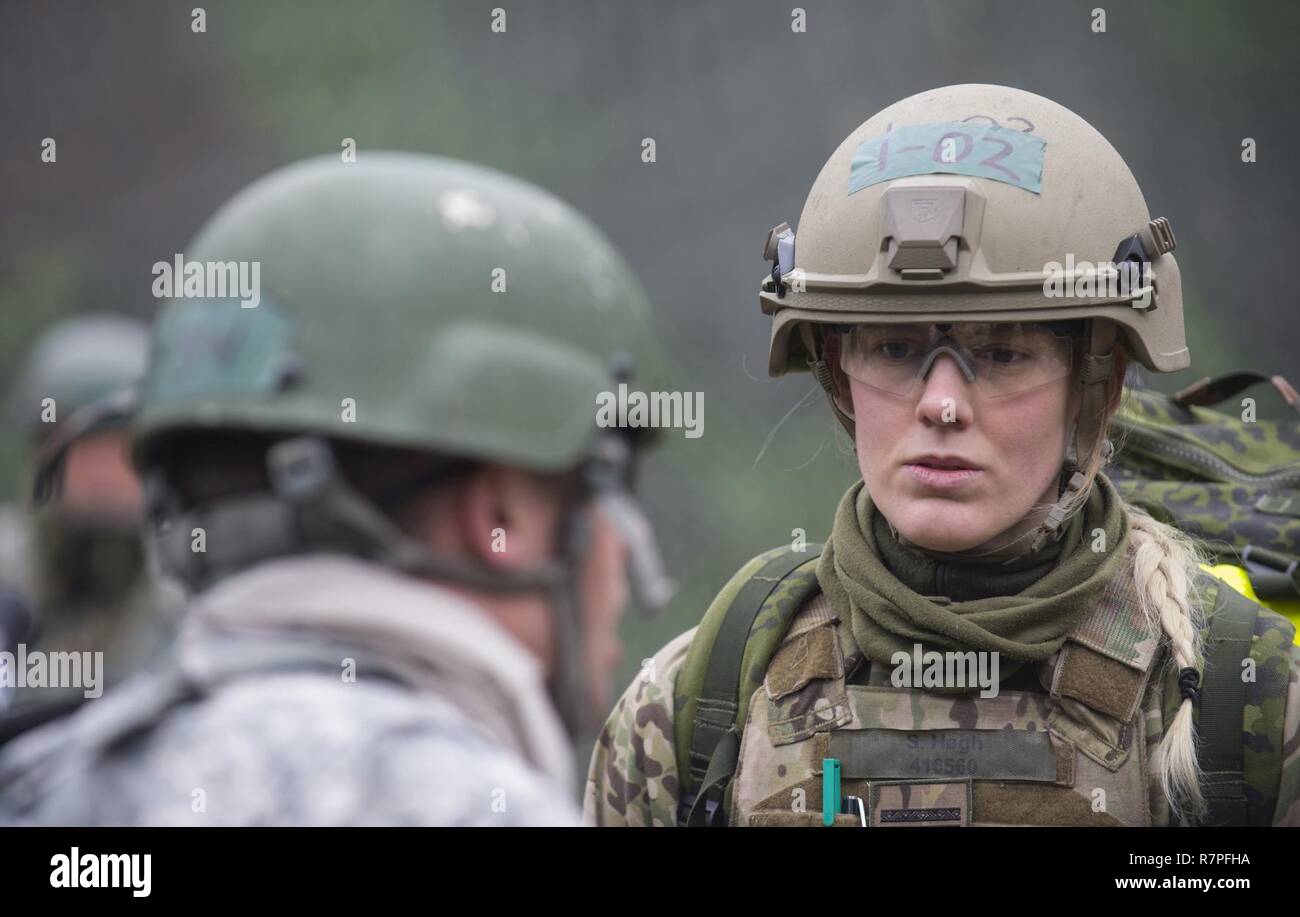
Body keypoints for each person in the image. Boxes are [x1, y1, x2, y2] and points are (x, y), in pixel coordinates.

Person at [585, 84, 1300, 828]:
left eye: (1002, 353)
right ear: (838, 374)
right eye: (897, 349)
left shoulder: (1241, 705)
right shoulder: (700, 701)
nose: (943, 404)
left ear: (1098, 383)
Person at [0, 152, 670, 826]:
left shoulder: (42, 781)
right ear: (501, 514)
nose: (623, 549)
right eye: (606, 486)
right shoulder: (470, 807)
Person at [0, 313, 181, 729]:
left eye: (121, 451)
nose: (103, 475)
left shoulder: (188, 597)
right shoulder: (9, 583)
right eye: (83, 448)